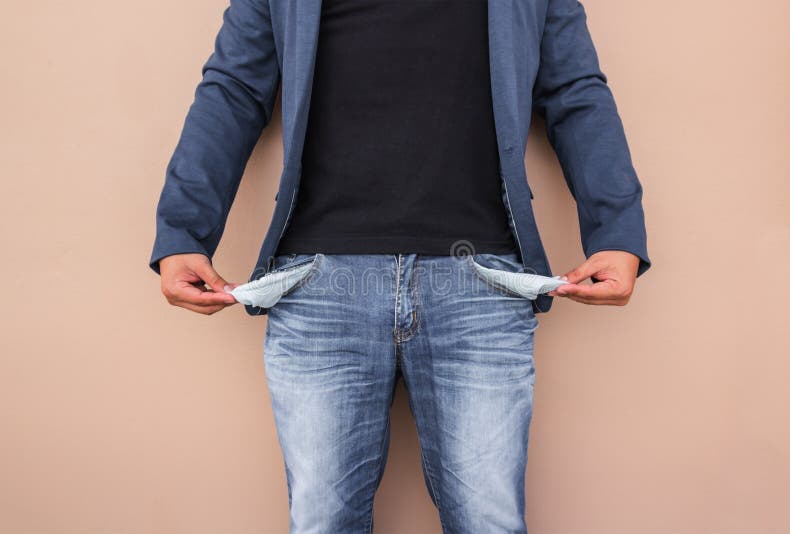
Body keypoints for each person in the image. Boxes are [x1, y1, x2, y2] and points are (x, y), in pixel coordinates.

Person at [150, 1, 651, 532]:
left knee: (490, 522)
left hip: (480, 283)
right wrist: (184, 231)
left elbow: (575, 92)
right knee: (323, 522)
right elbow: (232, 91)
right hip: (320, 285)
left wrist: (616, 231)